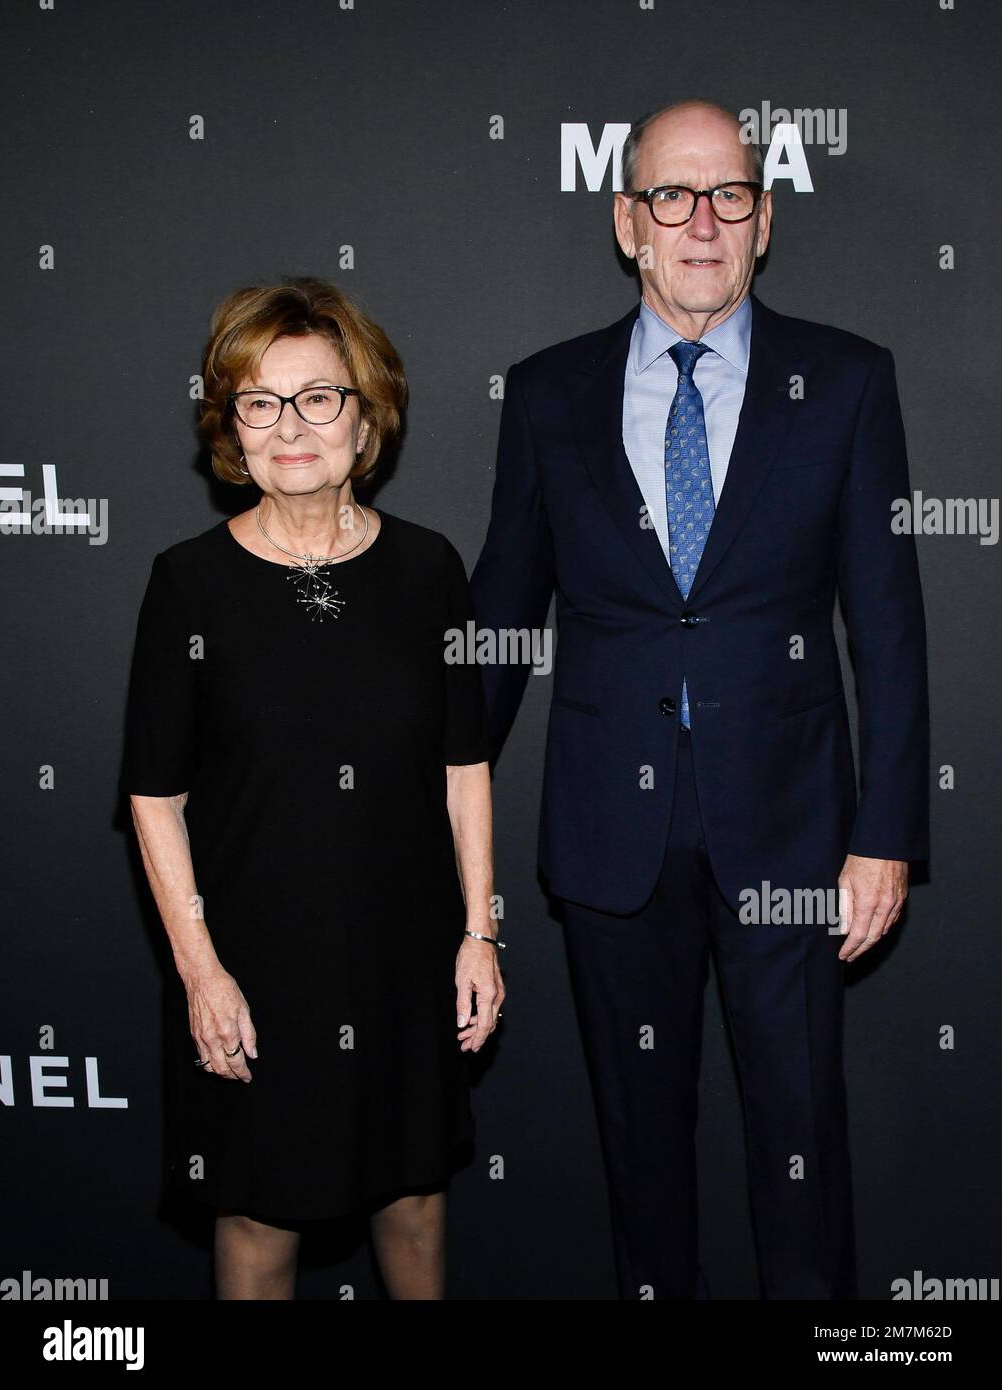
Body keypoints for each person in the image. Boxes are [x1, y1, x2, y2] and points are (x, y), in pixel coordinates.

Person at [470, 99, 929, 1299]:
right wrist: (406, 773)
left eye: (729, 195)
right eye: (671, 198)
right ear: (629, 223)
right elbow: (502, 617)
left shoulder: (845, 381)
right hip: (608, 846)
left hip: (788, 836)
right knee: (640, 1160)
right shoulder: (547, 393)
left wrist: (884, 834)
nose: (702, 223)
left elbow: (886, 627)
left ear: (764, 218)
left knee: (800, 1158)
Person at [120, 276, 504, 1300]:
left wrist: (478, 932)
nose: (291, 425)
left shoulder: (429, 571)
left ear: (366, 415)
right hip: (250, 961)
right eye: (259, 400)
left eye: (319, 396)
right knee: (256, 1218)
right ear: (230, 428)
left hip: (404, 949)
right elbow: (154, 798)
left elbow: (463, 765)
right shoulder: (187, 584)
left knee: (415, 1201)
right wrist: (202, 973)